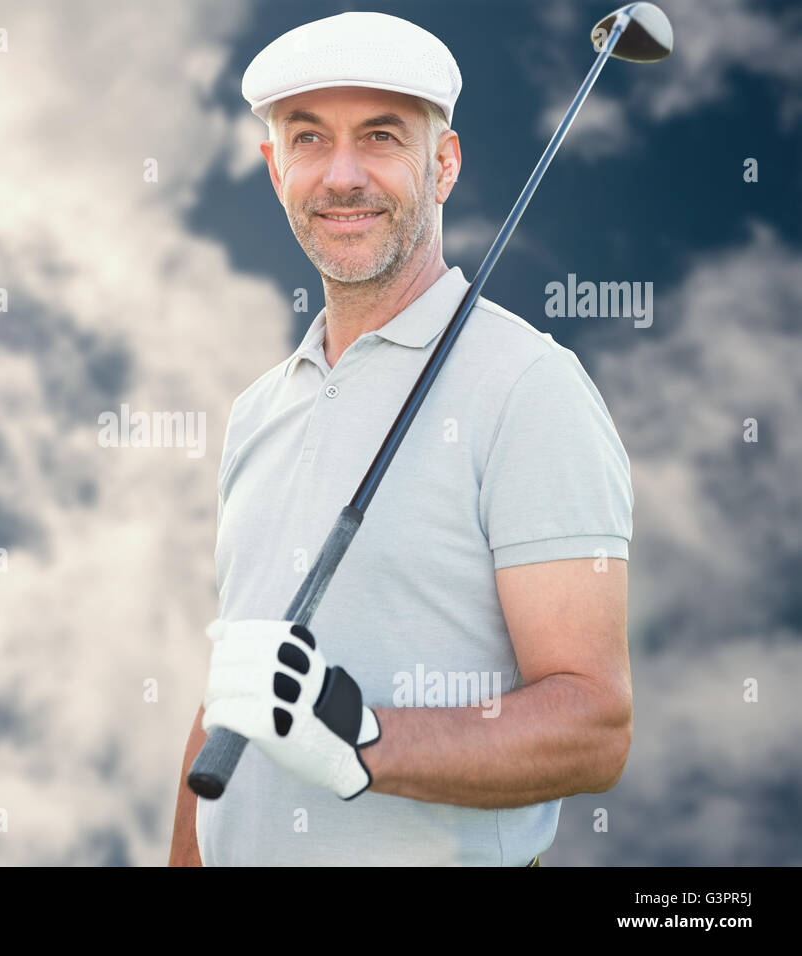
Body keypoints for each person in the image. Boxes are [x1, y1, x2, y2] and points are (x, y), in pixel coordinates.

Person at [169, 11, 634, 866]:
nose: (342, 176)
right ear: (276, 169)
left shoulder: (529, 386)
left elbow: (594, 726)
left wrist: (364, 741)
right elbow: (233, 694)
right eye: (309, 139)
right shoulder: (258, 410)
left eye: (381, 137)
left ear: (444, 164)